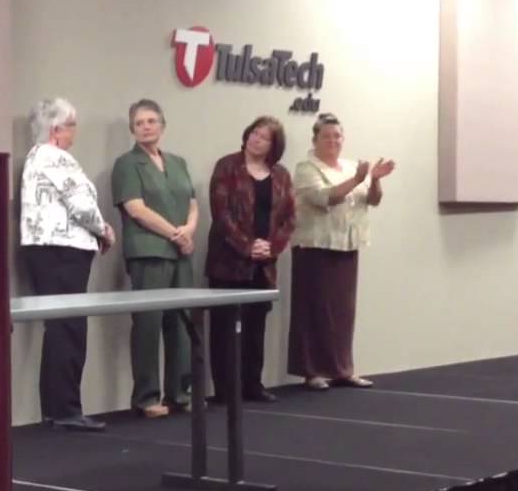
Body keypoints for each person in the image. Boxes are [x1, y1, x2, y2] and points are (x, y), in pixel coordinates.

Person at [19, 97, 115, 432]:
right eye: (72, 125)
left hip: (45, 251)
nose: (75, 132)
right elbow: (81, 205)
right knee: (69, 327)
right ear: (56, 129)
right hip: (63, 251)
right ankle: (66, 409)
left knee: (58, 327)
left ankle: (56, 408)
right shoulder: (57, 157)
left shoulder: (36, 157)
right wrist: (104, 229)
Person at [288, 113, 395, 390]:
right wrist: (358, 179)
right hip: (315, 247)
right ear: (315, 140)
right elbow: (325, 197)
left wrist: (375, 179)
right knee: (314, 310)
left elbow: (373, 200)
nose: (333, 141)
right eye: (326, 136)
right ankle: (312, 371)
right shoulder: (306, 168)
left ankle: (342, 370)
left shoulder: (350, 167)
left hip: (347, 245)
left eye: (337, 136)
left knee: (343, 312)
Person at [111, 99, 198, 417]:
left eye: (151, 121)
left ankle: (180, 393)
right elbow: (136, 209)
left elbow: (192, 203)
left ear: (162, 125)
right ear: (132, 129)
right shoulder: (127, 164)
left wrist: (188, 230)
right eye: (139, 123)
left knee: (182, 323)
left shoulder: (178, 162)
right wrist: (175, 234)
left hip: (180, 253)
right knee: (149, 324)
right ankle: (147, 398)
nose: (145, 127)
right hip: (149, 252)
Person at [205, 116, 296, 404]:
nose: (256, 139)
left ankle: (252, 384)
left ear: (273, 146)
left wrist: (271, 248)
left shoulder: (281, 175)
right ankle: (225, 389)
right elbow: (221, 213)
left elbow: (289, 218)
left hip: (263, 264)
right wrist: (247, 246)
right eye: (254, 133)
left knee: (256, 327)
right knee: (224, 327)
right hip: (228, 261)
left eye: (264, 137)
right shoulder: (227, 166)